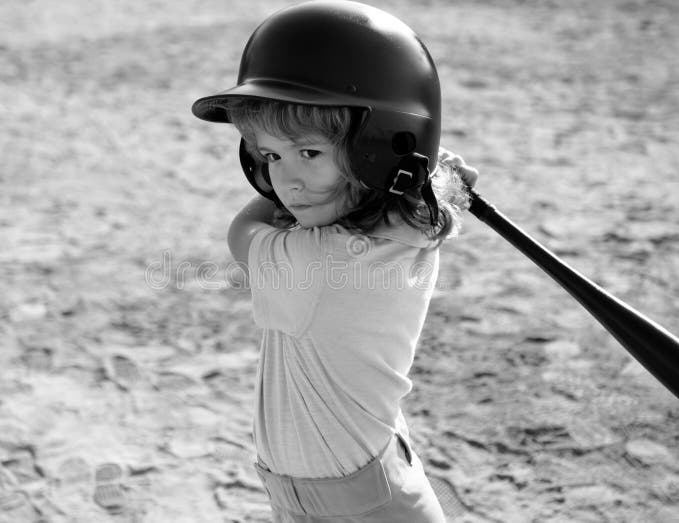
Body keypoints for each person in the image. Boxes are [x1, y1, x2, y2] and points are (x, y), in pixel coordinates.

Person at [192, 1, 478, 521]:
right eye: (270, 157)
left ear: (375, 149)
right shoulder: (405, 224)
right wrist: (425, 174)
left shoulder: (320, 260)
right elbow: (413, 199)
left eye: (309, 153)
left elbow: (241, 234)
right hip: (354, 487)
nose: (287, 182)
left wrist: (422, 173)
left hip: (356, 507)